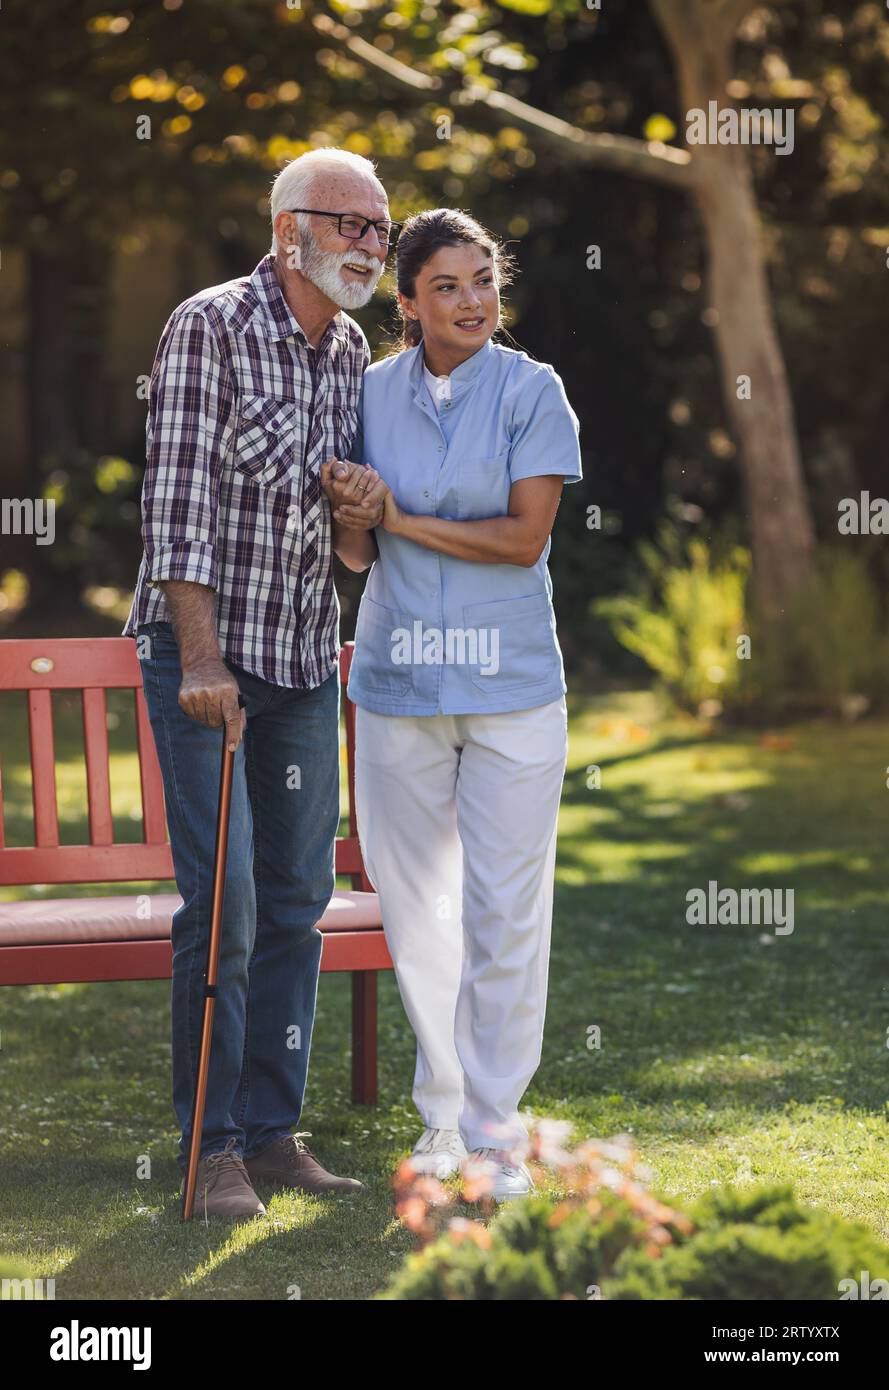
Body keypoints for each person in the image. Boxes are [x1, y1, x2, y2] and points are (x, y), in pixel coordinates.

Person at [122, 147, 392, 1218]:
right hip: (209, 667)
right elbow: (176, 503)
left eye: (380, 227)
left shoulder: (351, 347)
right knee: (223, 906)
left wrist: (356, 503)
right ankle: (212, 1145)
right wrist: (197, 659)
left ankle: (274, 1131)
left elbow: (345, 543)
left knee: (294, 901)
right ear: (290, 231)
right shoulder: (209, 324)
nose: (372, 245)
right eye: (352, 225)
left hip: (301, 659)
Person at [325, 209, 583, 1200]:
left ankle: (496, 1131)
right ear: (408, 303)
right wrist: (358, 516)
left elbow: (523, 539)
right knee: (417, 909)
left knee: (506, 911)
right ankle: (442, 1116)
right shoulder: (366, 392)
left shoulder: (532, 391)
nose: (473, 300)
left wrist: (398, 516)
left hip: (512, 689)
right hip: (394, 684)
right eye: (448, 285)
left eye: (484, 280)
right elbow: (356, 554)